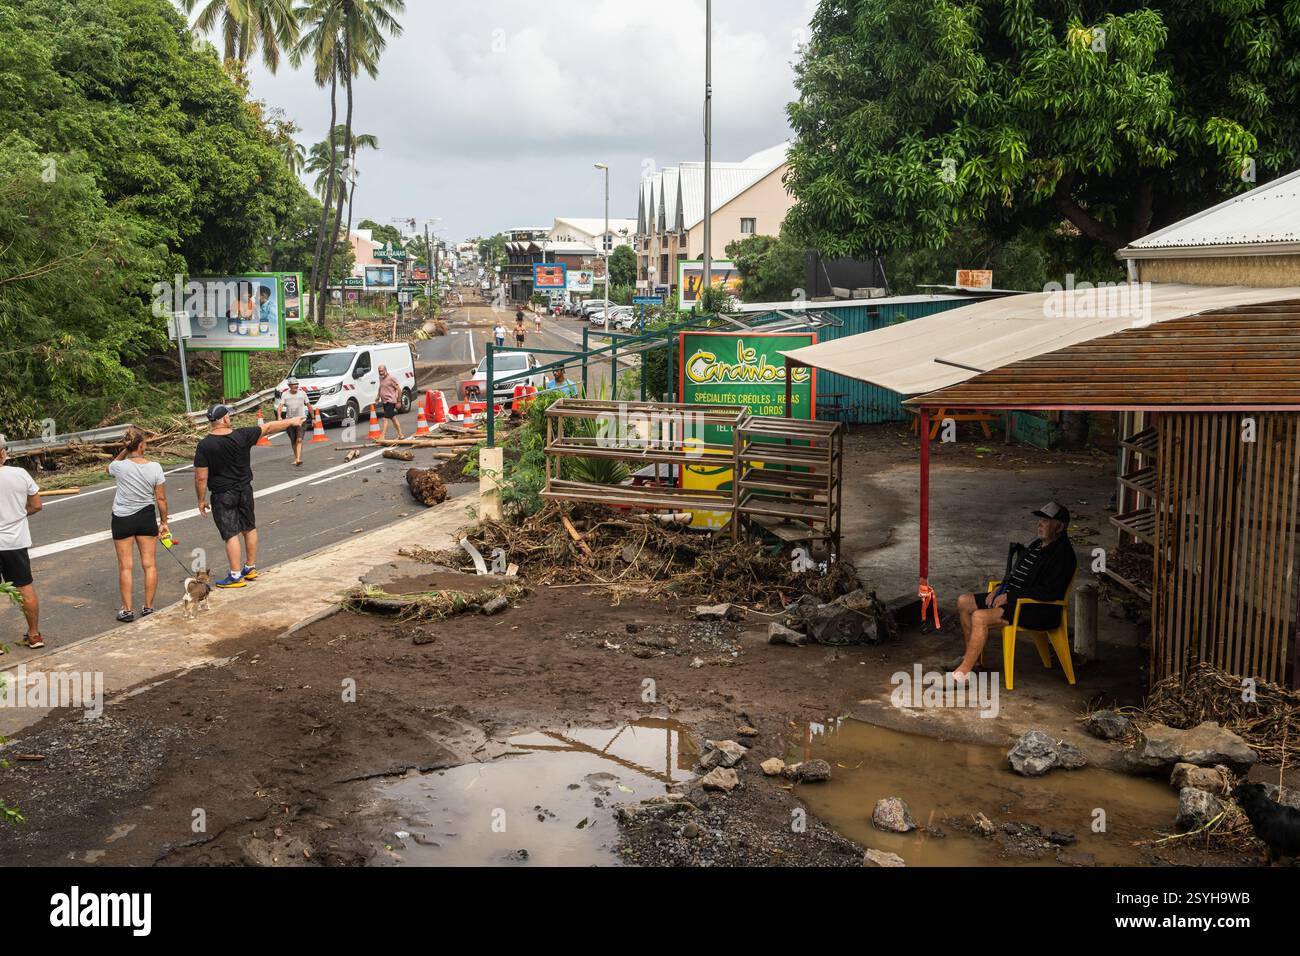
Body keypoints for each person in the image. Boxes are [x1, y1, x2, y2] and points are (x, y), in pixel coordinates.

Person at [951, 501, 1078, 683]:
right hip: (1014, 599)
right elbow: (1016, 575)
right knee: (964, 601)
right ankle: (974, 661)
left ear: (1059, 527)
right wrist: (999, 589)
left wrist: (1010, 596)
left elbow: (1050, 592)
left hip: (1036, 609)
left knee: (979, 617)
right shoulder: (1037, 545)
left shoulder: (1063, 555)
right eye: (1040, 520)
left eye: (1045, 521)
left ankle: (963, 674)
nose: (1039, 524)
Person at [194, 404, 303, 589]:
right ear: (225, 419)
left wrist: (201, 499)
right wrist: (292, 421)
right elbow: (268, 427)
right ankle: (250, 567)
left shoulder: (205, 445)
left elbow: (201, 477)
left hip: (222, 494)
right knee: (249, 527)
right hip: (244, 490)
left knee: (230, 533)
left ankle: (235, 575)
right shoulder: (242, 435)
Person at [107, 428, 169, 622]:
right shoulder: (155, 467)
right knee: (149, 564)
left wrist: (125, 450)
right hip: (146, 517)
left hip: (122, 518)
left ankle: (127, 610)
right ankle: (148, 607)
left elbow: (109, 467)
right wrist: (164, 522)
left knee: (126, 566)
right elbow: (161, 499)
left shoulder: (119, 467)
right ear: (142, 446)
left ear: (127, 446)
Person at [0, 435, 43, 650]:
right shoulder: (19, 474)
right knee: (25, 588)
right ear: (2, 453)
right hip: (15, 542)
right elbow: (36, 505)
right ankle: (34, 635)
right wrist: (18, 514)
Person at [277, 378, 310, 465]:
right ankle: (296, 458)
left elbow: (308, 405)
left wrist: (313, 418)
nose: (296, 386)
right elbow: (280, 406)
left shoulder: (302, 393)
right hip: (290, 421)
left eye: (297, 384)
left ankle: (298, 459)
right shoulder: (285, 394)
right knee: (293, 440)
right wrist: (279, 416)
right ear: (289, 386)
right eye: (293, 384)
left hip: (301, 420)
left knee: (299, 440)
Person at [376, 364, 406, 440]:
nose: (381, 372)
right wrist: (378, 396)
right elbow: (380, 387)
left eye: (382, 371)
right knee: (393, 418)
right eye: (379, 371)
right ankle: (400, 434)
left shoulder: (391, 378)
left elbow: (399, 389)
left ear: (386, 370)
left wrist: (399, 401)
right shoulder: (381, 378)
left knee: (385, 418)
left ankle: (382, 436)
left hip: (391, 401)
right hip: (384, 402)